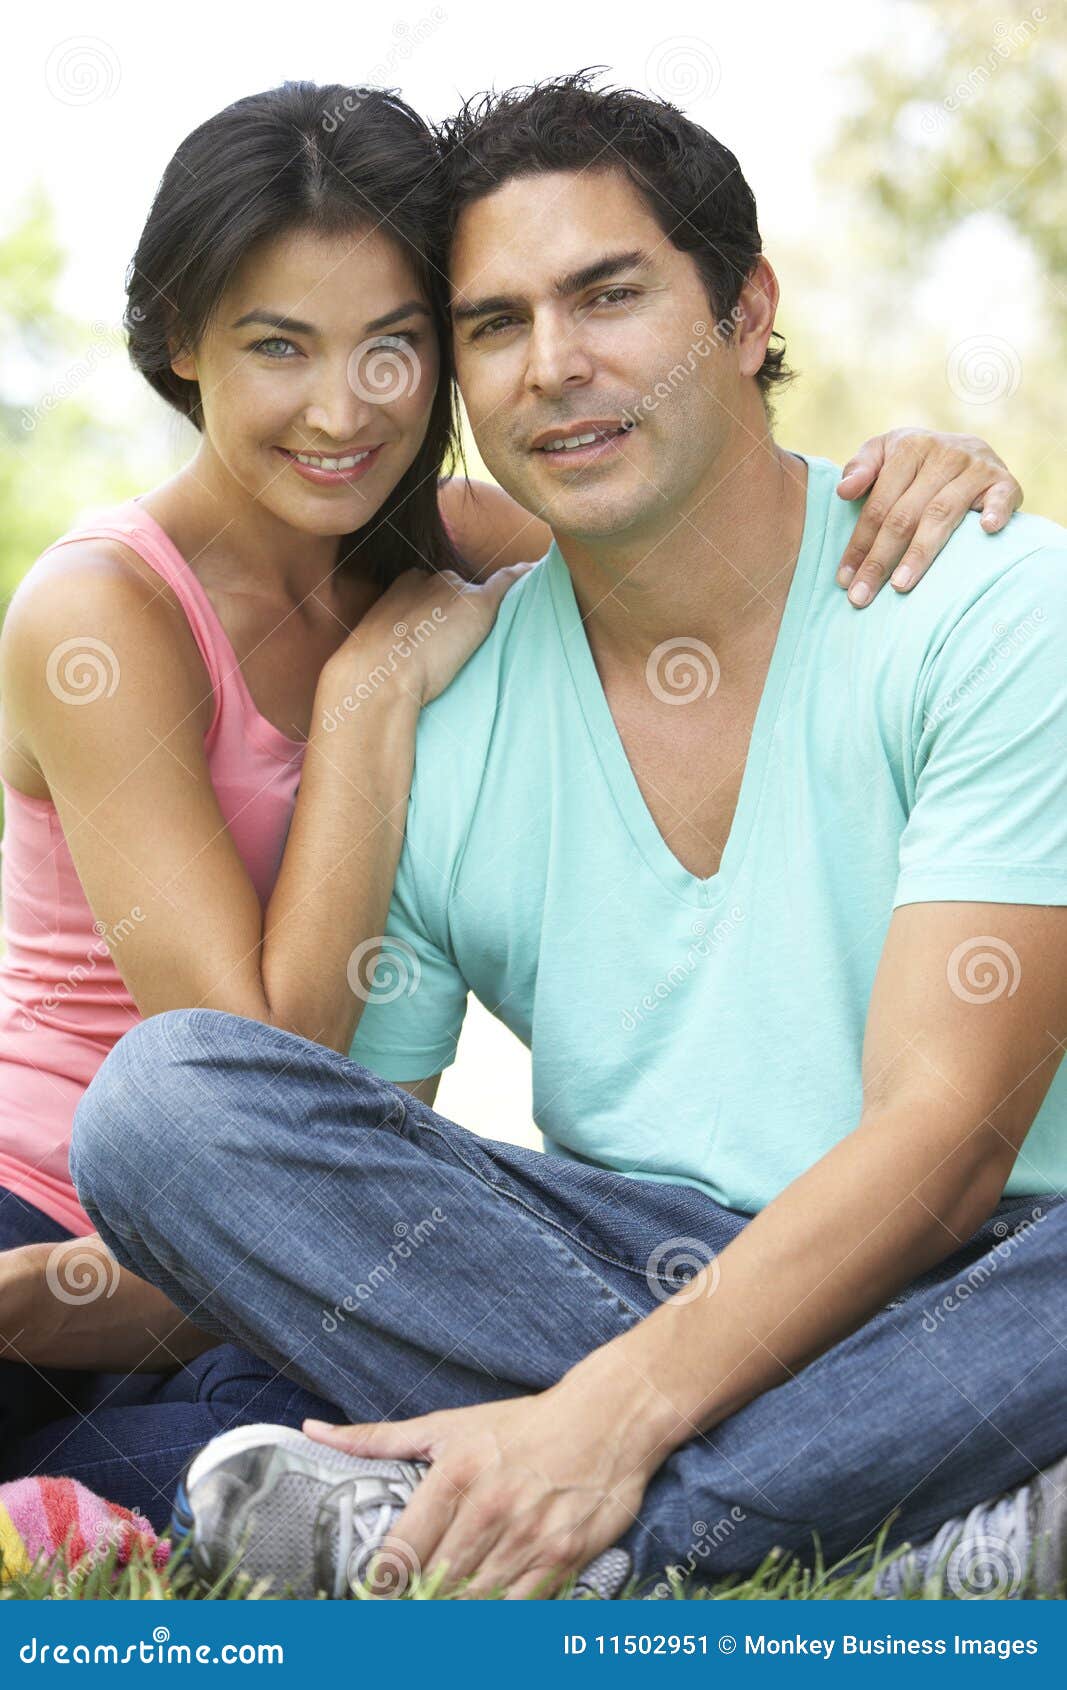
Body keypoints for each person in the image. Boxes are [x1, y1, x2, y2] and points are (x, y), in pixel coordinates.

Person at [7, 75, 1050, 1587]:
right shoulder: (423, 669)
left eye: (609, 295)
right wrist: (368, 703)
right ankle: (907, 1487)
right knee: (167, 1102)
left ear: (748, 314)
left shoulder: (981, 603)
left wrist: (603, 1419)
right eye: (496, 324)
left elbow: (949, 1140)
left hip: (982, 1253)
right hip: (564, 1260)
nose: (553, 367)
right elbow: (310, 1144)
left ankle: (638, 1511)